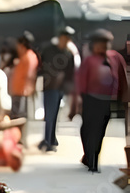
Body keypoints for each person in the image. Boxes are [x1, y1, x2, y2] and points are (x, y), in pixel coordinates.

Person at [72, 28, 128, 173]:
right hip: (90, 100)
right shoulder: (89, 60)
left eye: (106, 43)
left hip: (107, 101)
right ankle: (91, 161)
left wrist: (125, 99)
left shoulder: (115, 57)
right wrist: (77, 102)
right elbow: (80, 82)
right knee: (89, 130)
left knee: (99, 132)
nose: (102, 46)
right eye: (99, 43)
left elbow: (122, 78)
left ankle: (92, 158)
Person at [38, 27, 77, 153]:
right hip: (49, 87)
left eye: (68, 38)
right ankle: (48, 140)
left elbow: (70, 73)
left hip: (59, 89)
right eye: (65, 37)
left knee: (53, 115)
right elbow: (40, 65)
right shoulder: (48, 50)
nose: (66, 40)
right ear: (61, 38)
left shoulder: (68, 53)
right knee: (50, 115)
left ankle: (50, 140)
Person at [9, 31, 38, 148]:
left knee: (19, 118)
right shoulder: (23, 57)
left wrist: (27, 89)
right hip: (18, 91)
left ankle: (20, 140)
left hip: (22, 92)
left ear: (22, 45)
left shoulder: (29, 57)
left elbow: (30, 76)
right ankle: (17, 140)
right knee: (17, 117)